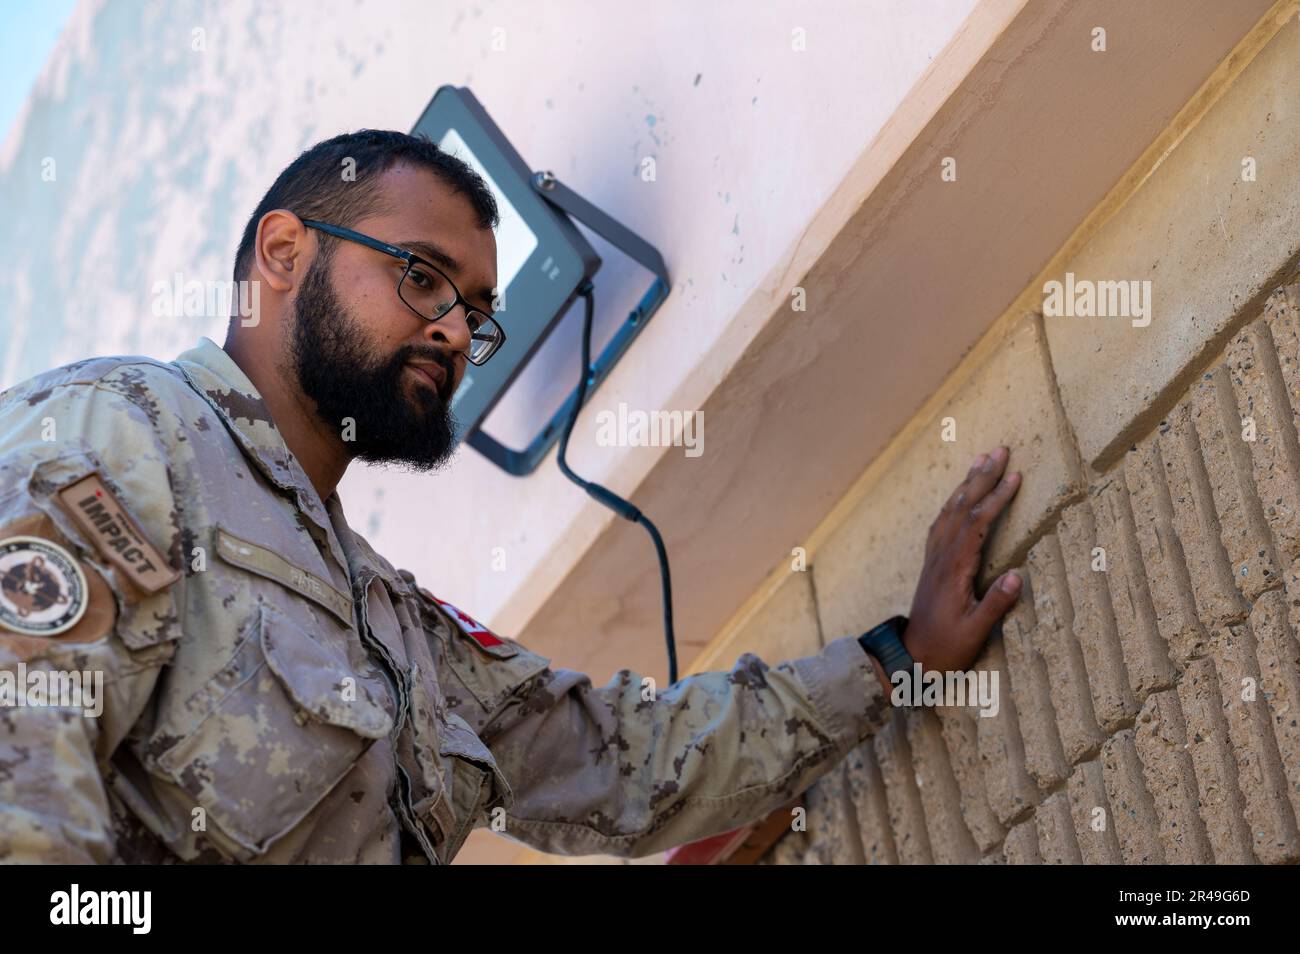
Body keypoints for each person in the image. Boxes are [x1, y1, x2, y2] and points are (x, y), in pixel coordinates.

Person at [0, 130, 1022, 864]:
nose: (453, 331)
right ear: (282, 253)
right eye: (420, 277)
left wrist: (898, 660)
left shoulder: (393, 631)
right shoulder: (121, 434)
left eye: (475, 313)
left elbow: (624, 762)